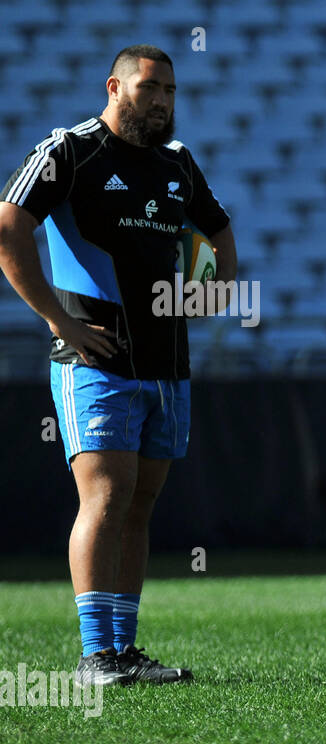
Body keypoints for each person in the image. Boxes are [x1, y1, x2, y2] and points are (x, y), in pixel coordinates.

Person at [0, 45, 235, 685]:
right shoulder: (69, 152)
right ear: (115, 86)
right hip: (95, 359)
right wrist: (60, 321)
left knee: (140, 503)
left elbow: (218, 234)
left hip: (166, 361)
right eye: (150, 87)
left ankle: (124, 651)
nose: (161, 101)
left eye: (171, 91)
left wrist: (211, 291)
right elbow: (8, 227)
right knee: (105, 496)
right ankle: (94, 655)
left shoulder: (177, 162)